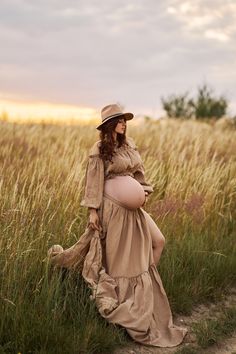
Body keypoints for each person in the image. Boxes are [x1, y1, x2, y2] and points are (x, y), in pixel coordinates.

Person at [48, 103, 188, 347]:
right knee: (120, 261)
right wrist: (92, 211)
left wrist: (143, 191)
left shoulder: (129, 145)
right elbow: (93, 182)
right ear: (109, 125)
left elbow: (138, 174)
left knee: (159, 241)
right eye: (119, 120)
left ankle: (142, 300)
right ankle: (128, 310)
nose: (124, 123)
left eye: (124, 119)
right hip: (112, 210)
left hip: (134, 211)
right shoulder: (100, 149)